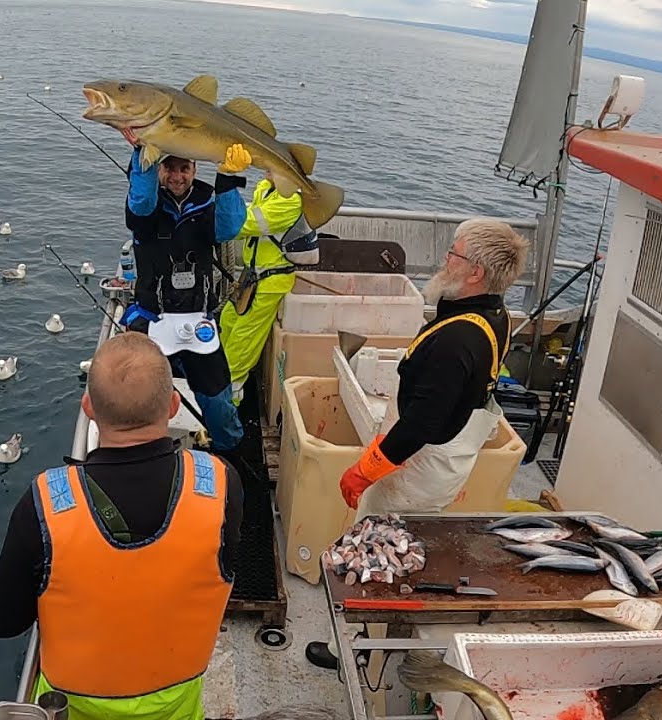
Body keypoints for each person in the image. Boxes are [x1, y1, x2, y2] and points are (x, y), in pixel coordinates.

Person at [305, 218, 528, 669]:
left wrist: (365, 469)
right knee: (401, 540)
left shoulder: (458, 339)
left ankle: (359, 649)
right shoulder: (493, 315)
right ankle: (384, 628)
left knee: (377, 544)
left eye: (455, 253)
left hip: (420, 466)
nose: (446, 258)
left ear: (476, 273)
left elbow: (422, 424)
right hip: (446, 454)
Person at [0, 332, 243, 720]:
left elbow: (4, 622)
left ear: (88, 407)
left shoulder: (43, 503)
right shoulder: (222, 484)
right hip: (179, 708)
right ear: (173, 405)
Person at [121, 136, 250, 454]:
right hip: (152, 319)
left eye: (185, 168)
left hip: (199, 321)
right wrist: (143, 154)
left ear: (194, 169)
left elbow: (228, 229)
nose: (177, 176)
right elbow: (140, 204)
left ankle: (228, 451)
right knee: (140, 397)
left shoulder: (208, 202)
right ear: (159, 170)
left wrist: (227, 178)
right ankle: (142, 451)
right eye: (169, 168)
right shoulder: (146, 208)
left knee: (219, 402)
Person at [219, 170, 315, 405]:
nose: (267, 167)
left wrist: (212, 214)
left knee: (242, 342)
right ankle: (216, 386)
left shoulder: (289, 200)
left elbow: (244, 224)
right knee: (227, 323)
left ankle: (230, 401)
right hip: (251, 277)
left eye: (274, 164)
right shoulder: (265, 188)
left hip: (270, 282)